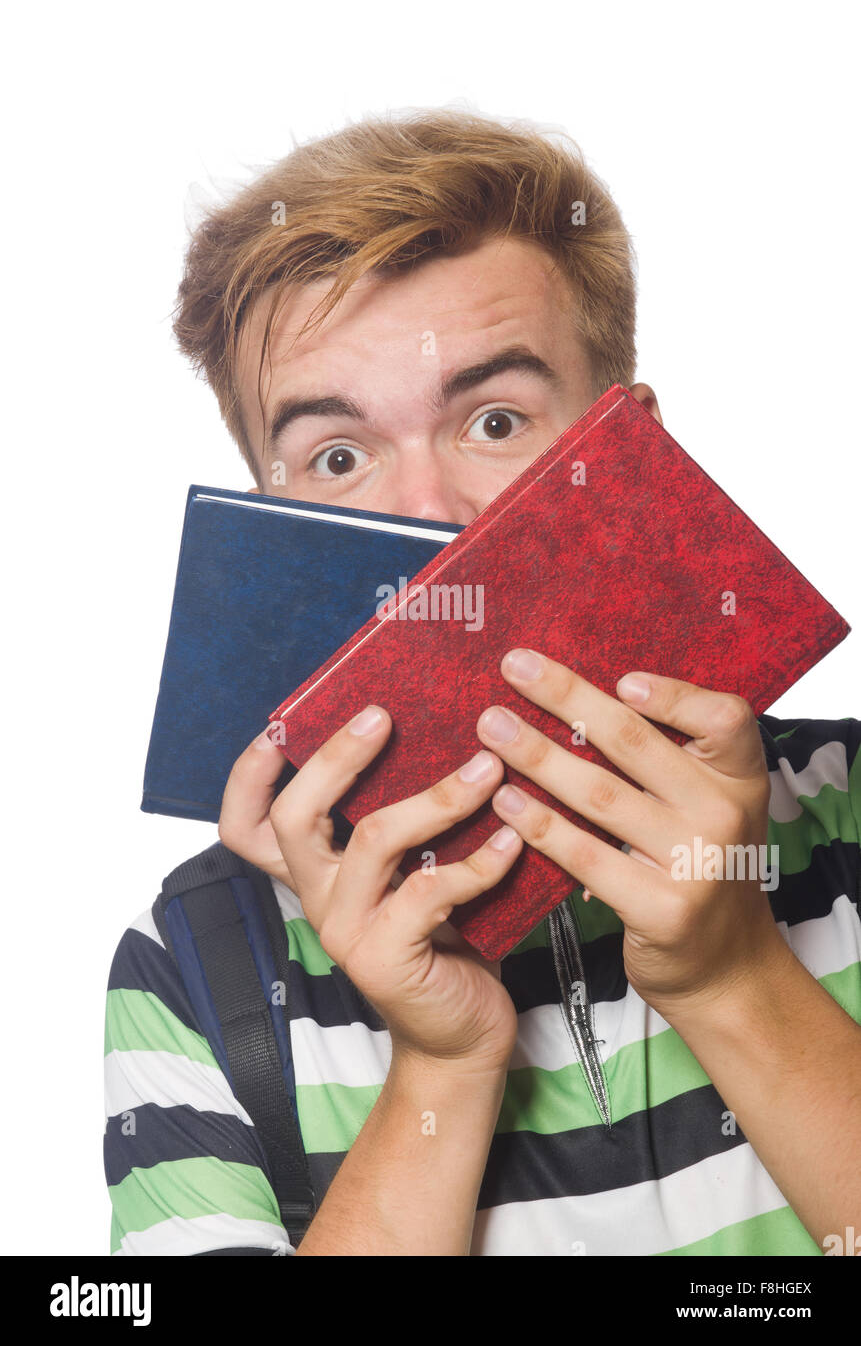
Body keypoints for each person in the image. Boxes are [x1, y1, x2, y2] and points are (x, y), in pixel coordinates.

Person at [103, 107, 861, 1256]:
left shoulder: (848, 807)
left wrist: (736, 978)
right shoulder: (192, 966)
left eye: (495, 419)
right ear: (268, 516)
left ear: (629, 450)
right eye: (340, 457)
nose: (430, 520)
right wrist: (445, 1064)